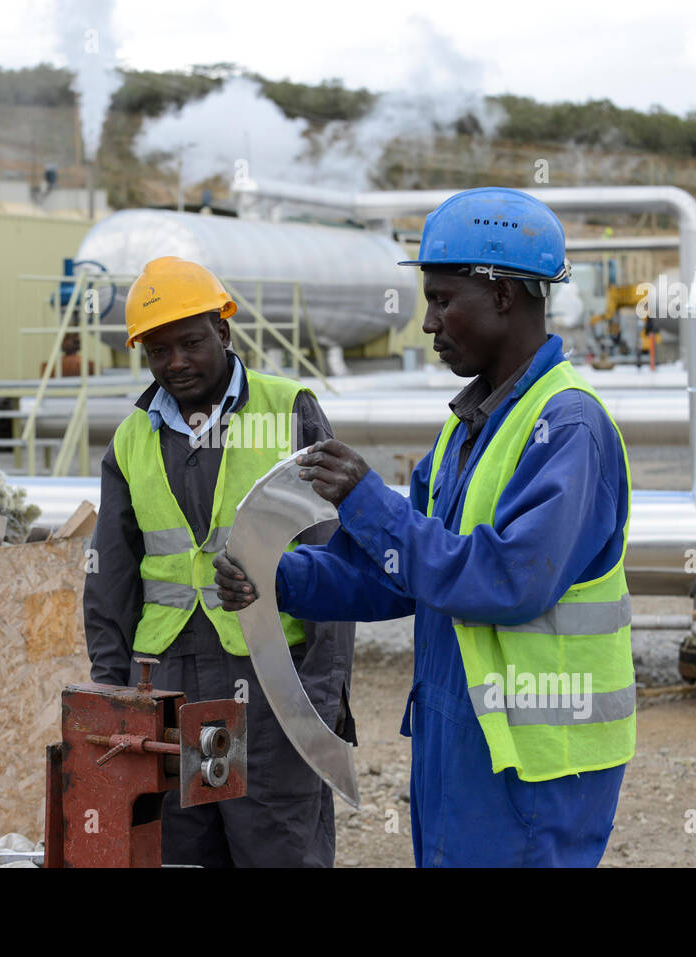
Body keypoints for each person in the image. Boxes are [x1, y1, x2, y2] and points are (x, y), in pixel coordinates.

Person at [215, 189, 635, 867]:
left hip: (535, 761)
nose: (428, 323)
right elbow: (395, 574)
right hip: (462, 741)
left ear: (502, 294)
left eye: (443, 300)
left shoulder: (569, 429)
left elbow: (508, 580)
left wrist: (368, 500)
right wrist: (275, 574)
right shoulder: (467, 430)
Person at [84, 256, 355, 867]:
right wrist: (112, 690)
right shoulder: (132, 437)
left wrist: (319, 695)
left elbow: (335, 564)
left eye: (190, 342)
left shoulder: (289, 411)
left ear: (224, 332)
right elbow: (111, 575)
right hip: (169, 685)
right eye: (157, 350)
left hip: (268, 684)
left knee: (275, 845)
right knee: (185, 852)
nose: (175, 362)